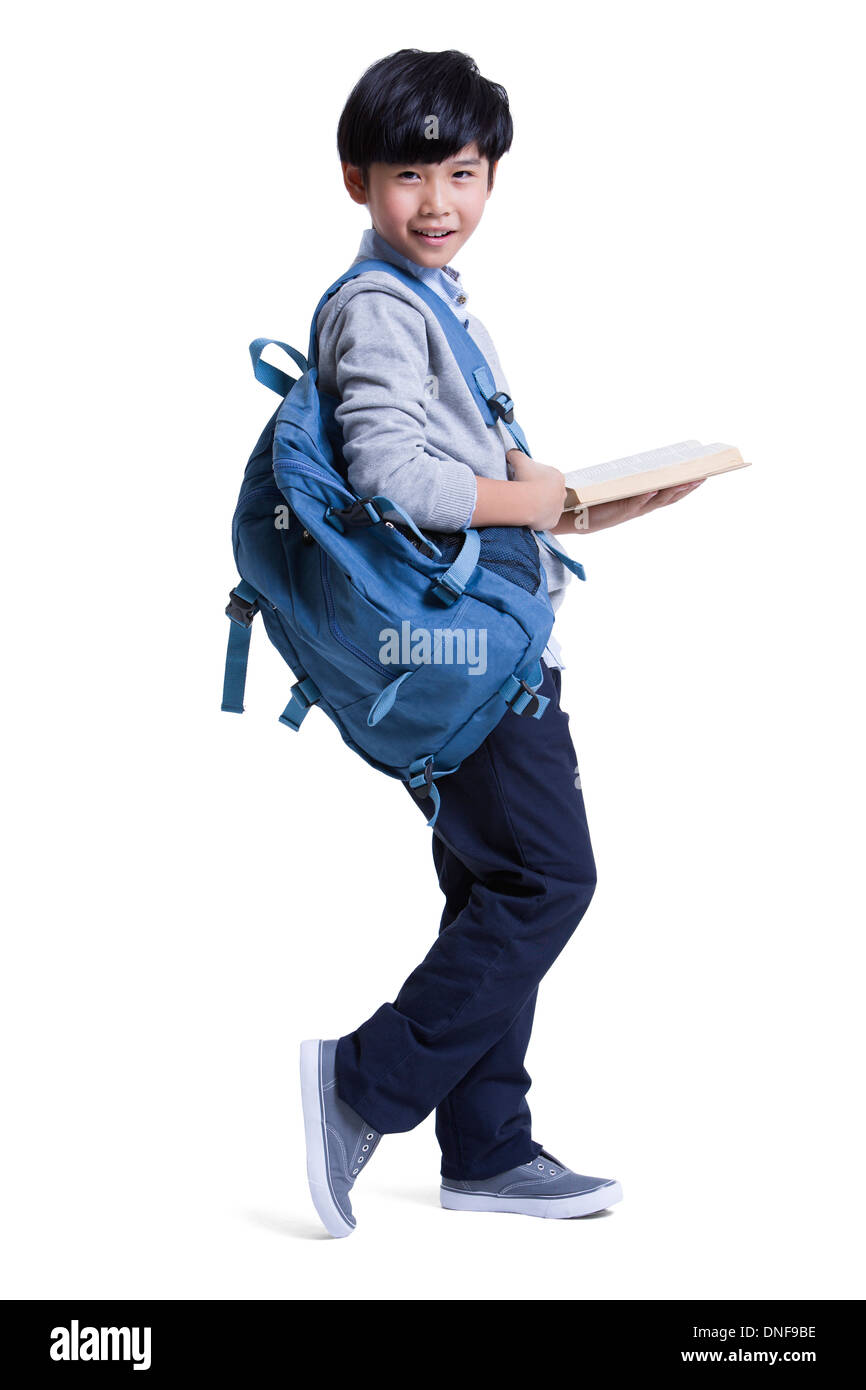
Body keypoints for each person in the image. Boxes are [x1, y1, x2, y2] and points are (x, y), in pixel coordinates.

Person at [299, 48, 704, 1237]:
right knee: (547, 879)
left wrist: (595, 500)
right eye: (408, 174)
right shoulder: (378, 306)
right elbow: (387, 469)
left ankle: (486, 1146)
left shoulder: (432, 300)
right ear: (354, 179)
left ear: (490, 179)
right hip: (470, 665)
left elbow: (470, 478)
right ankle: (357, 1081)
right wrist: (529, 502)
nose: (437, 203)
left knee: (491, 886)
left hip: (489, 643)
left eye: (462, 173)